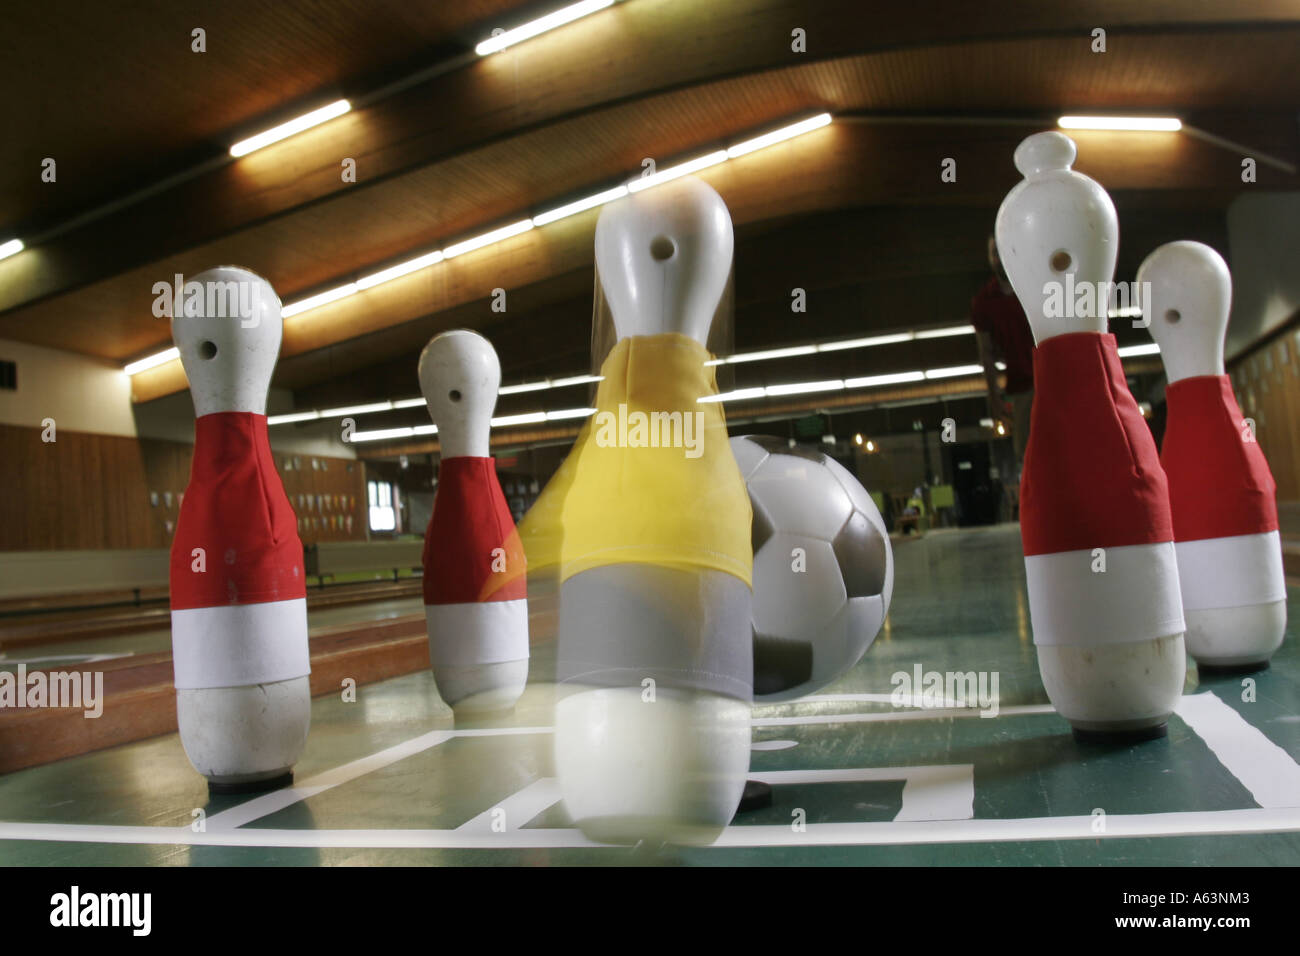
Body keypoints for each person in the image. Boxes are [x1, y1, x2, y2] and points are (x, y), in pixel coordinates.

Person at [971, 235, 1036, 471]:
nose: (999, 258)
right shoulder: (983, 303)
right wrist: (994, 396)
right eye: (994, 253)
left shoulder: (1034, 287)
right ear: (990, 259)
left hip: (1053, 379)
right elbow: (985, 354)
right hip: (1021, 387)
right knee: (1028, 455)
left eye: (1003, 251)